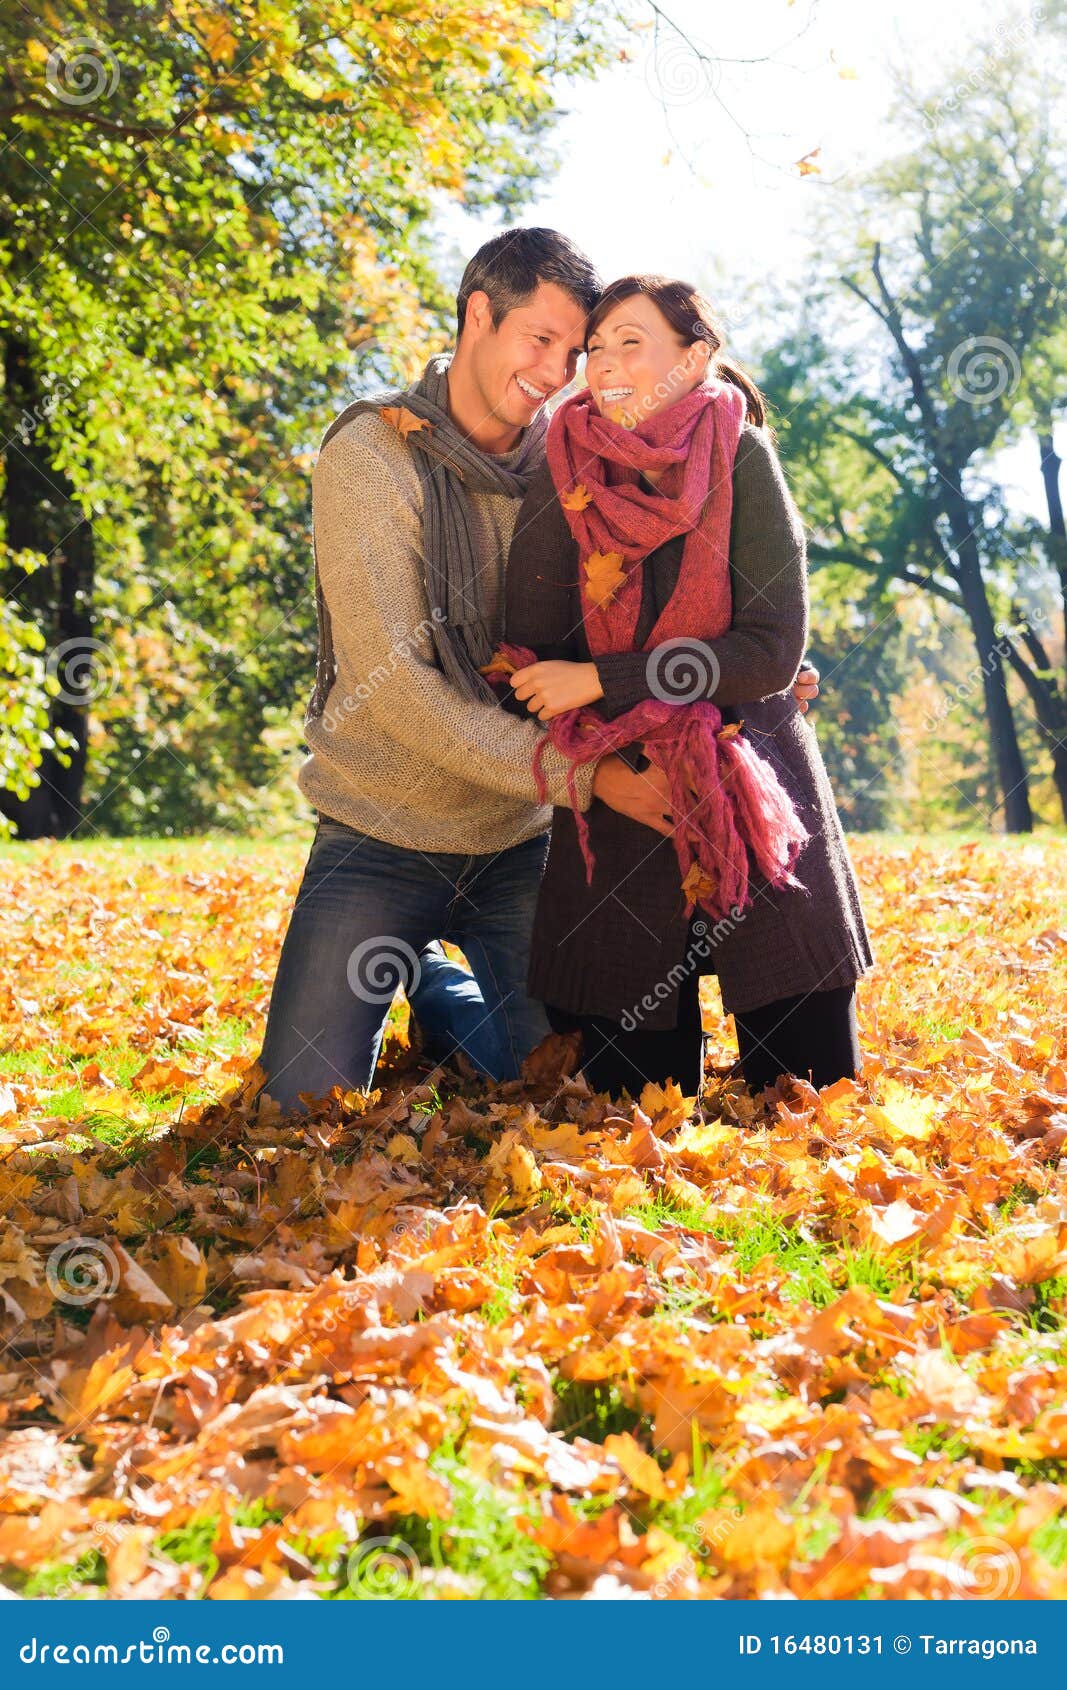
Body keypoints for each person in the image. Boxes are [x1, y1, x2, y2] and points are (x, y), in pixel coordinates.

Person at [254, 233, 820, 1114]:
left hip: (525, 838)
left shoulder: (574, 452)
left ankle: (443, 1004)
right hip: (382, 833)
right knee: (297, 1111)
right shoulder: (372, 457)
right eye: (541, 339)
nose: (559, 371)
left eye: (576, 348)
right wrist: (585, 775)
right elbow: (399, 689)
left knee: (564, 1087)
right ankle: (425, 978)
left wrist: (750, 672)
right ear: (478, 313)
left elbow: (665, 580)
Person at [499, 274, 873, 1100]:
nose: (604, 362)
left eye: (631, 342)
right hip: (628, 790)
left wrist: (604, 677)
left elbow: (769, 651)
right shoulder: (558, 464)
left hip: (753, 782)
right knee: (630, 1110)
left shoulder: (740, 452)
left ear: (695, 356)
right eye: (595, 347)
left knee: (807, 1097)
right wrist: (604, 756)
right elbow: (526, 653)